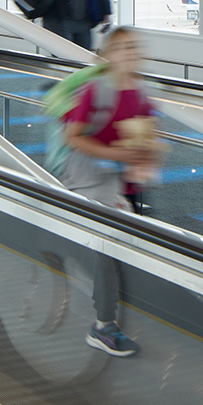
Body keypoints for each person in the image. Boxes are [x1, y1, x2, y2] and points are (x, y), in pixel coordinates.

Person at [60, 27, 162, 357]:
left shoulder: (141, 92)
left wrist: (150, 152)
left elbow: (145, 142)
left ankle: (108, 309)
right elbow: (73, 137)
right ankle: (103, 326)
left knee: (120, 246)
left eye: (133, 47)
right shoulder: (97, 90)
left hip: (117, 184)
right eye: (121, 48)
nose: (129, 53)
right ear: (107, 56)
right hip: (86, 179)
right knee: (104, 249)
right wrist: (117, 155)